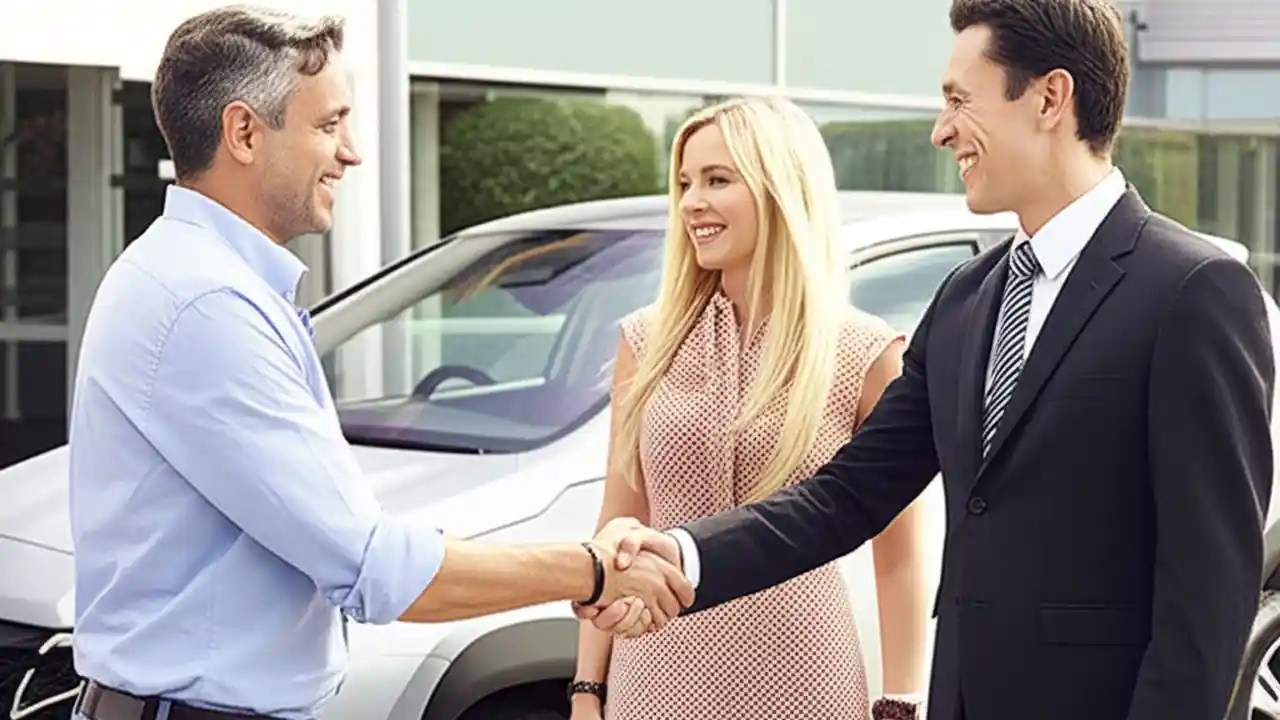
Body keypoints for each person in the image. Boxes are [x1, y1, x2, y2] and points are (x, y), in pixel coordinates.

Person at [581, 1, 1277, 719]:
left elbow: (1208, 596)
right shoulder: (966, 299)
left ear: (1049, 98)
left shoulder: (1194, 292)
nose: (941, 131)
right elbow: (847, 496)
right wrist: (682, 556)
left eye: (958, 100)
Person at [66, 7, 691, 720]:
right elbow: (374, 570)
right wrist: (595, 568)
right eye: (329, 124)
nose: (352, 152)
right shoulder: (206, 305)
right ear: (244, 132)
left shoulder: (193, 279)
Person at [567, 97, 930, 720]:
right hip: (653, 678)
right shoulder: (645, 343)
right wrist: (585, 690)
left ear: (779, 189)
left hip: (806, 678)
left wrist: (900, 704)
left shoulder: (865, 352)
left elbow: (899, 556)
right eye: (684, 184)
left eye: (717, 180)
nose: (691, 204)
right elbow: (617, 529)